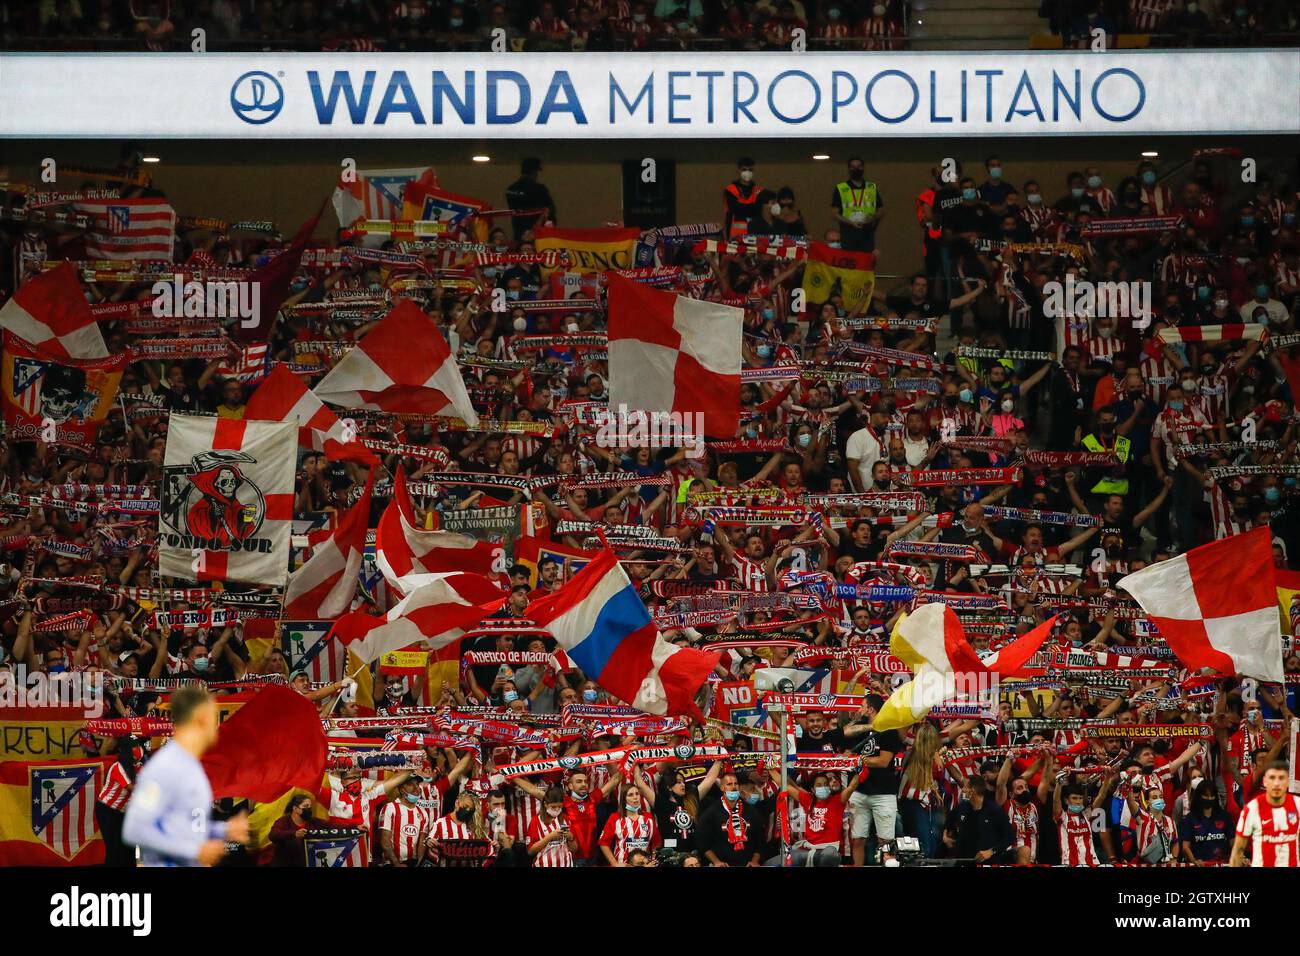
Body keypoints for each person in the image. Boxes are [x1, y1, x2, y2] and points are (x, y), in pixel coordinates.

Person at [121, 685, 249, 867]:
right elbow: (134, 830)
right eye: (214, 716)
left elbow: (185, 825)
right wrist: (194, 851)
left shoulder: (192, 766)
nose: (217, 723)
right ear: (201, 718)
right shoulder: (165, 767)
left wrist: (224, 829)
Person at [1231, 762, 1300, 867]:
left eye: (1281, 778)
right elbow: (1238, 850)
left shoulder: (1298, 805)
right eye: (1272, 778)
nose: (1276, 783)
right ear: (1265, 781)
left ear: (1287, 782)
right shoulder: (1252, 809)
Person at [832, 156, 883, 253]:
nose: (856, 169)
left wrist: (872, 218)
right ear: (849, 169)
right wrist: (850, 222)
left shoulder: (871, 187)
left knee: (865, 262)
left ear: (863, 168)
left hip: (867, 232)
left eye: (859, 167)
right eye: (853, 167)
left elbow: (881, 210)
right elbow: (834, 213)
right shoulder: (841, 188)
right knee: (850, 262)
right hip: (848, 233)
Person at [505, 157, 556, 240]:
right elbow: (551, 209)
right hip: (538, 233)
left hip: (519, 232)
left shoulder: (511, 189)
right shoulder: (540, 189)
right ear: (534, 172)